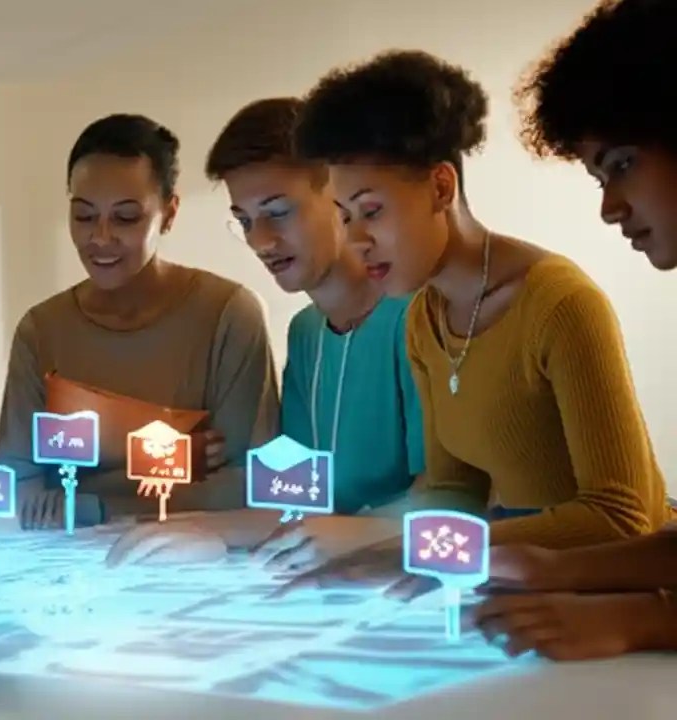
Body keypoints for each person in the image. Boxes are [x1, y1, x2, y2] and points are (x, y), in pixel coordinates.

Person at [275, 49, 670, 599]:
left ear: (441, 187)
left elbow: (621, 515)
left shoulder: (559, 303)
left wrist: (414, 550)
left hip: (615, 595)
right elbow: (453, 490)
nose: (355, 240)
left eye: (371, 211)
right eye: (343, 217)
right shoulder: (423, 319)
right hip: (518, 584)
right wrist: (371, 544)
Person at [107, 98, 423, 567]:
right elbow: (294, 502)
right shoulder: (307, 333)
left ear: (340, 195)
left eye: (277, 212)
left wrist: (353, 535)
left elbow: (455, 499)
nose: (259, 242)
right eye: (245, 221)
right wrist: (183, 526)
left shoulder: (419, 318)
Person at [471, 0, 677, 662]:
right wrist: (554, 570)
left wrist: (642, 623)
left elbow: (617, 509)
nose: (610, 207)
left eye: (621, 164)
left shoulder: (559, 300)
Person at [0, 113, 280, 529]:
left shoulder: (228, 314)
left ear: (169, 213)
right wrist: (165, 458)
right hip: (64, 571)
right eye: (84, 215)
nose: (101, 238)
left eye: (126, 217)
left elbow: (245, 486)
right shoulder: (41, 330)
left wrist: (86, 506)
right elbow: (18, 489)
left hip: (189, 566)